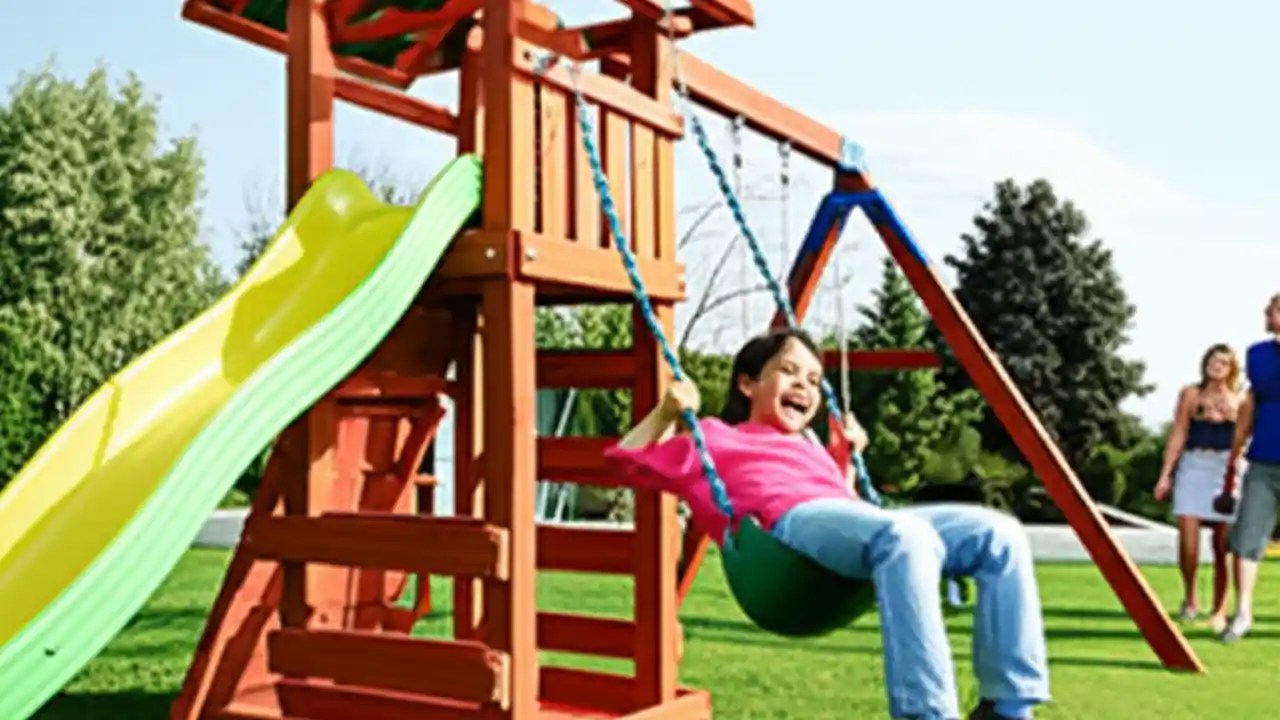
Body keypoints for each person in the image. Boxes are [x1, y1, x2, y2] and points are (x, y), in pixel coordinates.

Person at [605, 328, 1051, 720]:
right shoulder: (713, 437)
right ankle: (927, 712)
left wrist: (847, 456)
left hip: (848, 519)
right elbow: (623, 462)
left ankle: (1008, 707)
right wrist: (666, 411)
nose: (805, 384)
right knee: (906, 537)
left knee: (1000, 535)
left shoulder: (810, 443)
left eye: (814, 379)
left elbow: (846, 506)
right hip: (783, 529)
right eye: (790, 371)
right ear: (747, 383)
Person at [1154, 343, 1243, 631]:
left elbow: (1246, 438)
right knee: (1189, 539)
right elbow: (1178, 432)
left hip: (1225, 468)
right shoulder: (1191, 394)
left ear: (1231, 369)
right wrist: (1166, 474)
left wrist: (1230, 418)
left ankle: (1219, 608)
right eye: (1212, 360)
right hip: (1195, 464)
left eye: (1223, 363)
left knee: (1222, 545)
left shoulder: (1240, 399)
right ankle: (1190, 596)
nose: (1216, 366)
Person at [1219, 293, 1280, 643]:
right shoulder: (1257, 354)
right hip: (1264, 461)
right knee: (1247, 540)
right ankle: (1242, 613)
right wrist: (1236, 451)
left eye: (1271, 310)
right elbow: (1249, 406)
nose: (1266, 315)